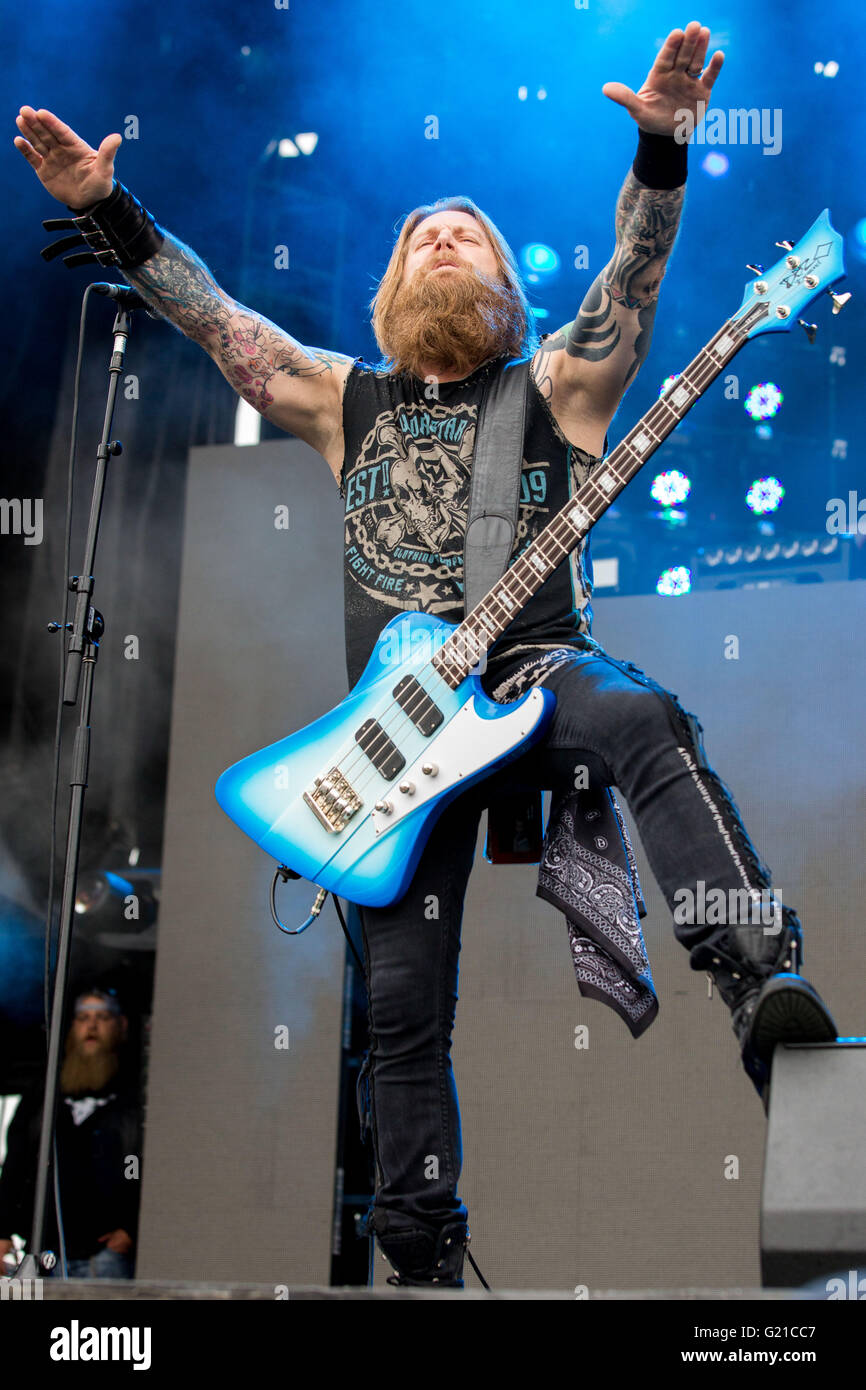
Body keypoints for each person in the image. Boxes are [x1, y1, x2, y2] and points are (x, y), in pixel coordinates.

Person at [15, 20, 837, 1290]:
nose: (440, 235)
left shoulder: (557, 384)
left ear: (503, 283)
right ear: (388, 287)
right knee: (399, 1008)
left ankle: (756, 982)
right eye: (417, 234)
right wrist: (111, 210)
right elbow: (213, 316)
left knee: (641, 719)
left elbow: (633, 268)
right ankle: (419, 1253)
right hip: (396, 738)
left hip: (535, 674)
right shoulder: (340, 395)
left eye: (467, 232)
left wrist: (661, 147)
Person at [0, 989, 142, 1278]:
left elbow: (135, 1166)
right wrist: (2, 1231)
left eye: (102, 1017)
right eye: (83, 1018)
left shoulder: (133, 1096)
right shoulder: (44, 1095)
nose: (91, 1026)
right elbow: (17, 1163)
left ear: (121, 1025)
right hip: (41, 1249)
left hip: (105, 1252)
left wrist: (130, 1227)